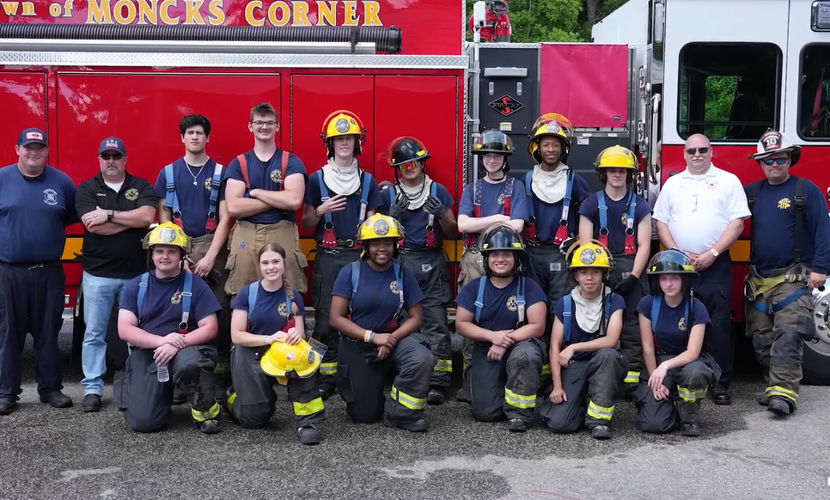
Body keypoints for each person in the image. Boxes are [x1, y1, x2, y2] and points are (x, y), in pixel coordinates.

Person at [652, 133, 751, 405]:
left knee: (718, 324)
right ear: (684, 154)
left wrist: (712, 253)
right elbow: (660, 222)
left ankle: (720, 384)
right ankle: (683, 377)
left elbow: (737, 223)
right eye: (691, 150)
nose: (697, 155)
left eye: (702, 150)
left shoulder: (728, 181)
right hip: (679, 268)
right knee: (679, 323)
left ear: (711, 152)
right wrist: (676, 253)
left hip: (716, 264)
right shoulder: (673, 184)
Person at [743, 130, 830, 416]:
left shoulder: (806, 190)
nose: (775, 164)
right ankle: (774, 387)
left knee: (789, 333)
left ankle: (784, 393)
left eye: (780, 158)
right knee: (761, 337)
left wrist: (820, 269)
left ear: (790, 158)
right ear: (760, 163)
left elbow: (823, 232)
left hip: (793, 278)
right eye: (768, 160)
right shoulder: (752, 193)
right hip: (758, 279)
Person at [302, 110, 383, 399]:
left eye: (349, 138)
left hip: (359, 259)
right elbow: (306, 222)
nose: (344, 143)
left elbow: (374, 224)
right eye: (339, 139)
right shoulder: (315, 180)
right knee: (324, 322)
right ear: (330, 144)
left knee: (359, 318)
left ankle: (358, 372)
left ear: (357, 142)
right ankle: (324, 377)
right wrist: (321, 211)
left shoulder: (369, 181)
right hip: (328, 257)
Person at [329, 214, 434, 432]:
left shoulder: (403, 274)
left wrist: (391, 339)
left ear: (396, 244)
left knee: (422, 358)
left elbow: (417, 318)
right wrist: (373, 338)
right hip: (358, 343)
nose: (382, 248)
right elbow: (336, 318)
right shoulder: (350, 272)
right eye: (376, 243)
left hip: (392, 340)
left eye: (387, 242)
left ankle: (402, 415)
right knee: (365, 415)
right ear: (366, 245)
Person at [156, 114, 234, 402]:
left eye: (200, 132)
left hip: (213, 246)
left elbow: (226, 218)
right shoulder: (168, 173)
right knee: (179, 312)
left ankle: (218, 378)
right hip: (179, 249)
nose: (195, 137)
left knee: (218, 312)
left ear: (207, 137)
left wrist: (211, 257)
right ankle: (183, 378)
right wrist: (180, 258)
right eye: (190, 132)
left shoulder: (221, 172)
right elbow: (164, 219)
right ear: (182, 138)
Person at [0, 128, 78, 416]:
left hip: (49, 271)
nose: (34, 152)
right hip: (10, 272)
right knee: (8, 334)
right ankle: (6, 393)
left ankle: (50, 389)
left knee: (49, 332)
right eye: (28, 147)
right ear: (17, 149)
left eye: (40, 148)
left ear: (46, 151)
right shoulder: (2, 179)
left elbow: (69, 215)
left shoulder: (62, 181)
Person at [117, 222, 223, 434]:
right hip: (150, 354)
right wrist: (163, 342)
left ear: (182, 255)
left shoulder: (196, 285)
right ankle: (159, 401)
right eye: (159, 251)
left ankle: (207, 412)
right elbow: (125, 329)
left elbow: (210, 328)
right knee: (143, 423)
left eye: (171, 251)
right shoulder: (136, 286)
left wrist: (177, 344)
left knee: (191, 363)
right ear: (151, 254)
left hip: (186, 351)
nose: (165, 256)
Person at [76, 137, 156, 412]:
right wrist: (129, 220)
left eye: (116, 156)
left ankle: (137, 383)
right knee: (95, 332)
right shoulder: (86, 188)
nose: (111, 161)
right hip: (98, 275)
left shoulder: (141, 185)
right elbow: (93, 227)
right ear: (99, 159)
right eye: (106, 156)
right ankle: (92, 388)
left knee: (137, 333)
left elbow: (146, 217)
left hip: (136, 275)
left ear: (125, 160)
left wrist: (108, 214)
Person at [380, 136, 457, 405]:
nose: (409, 167)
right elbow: (374, 234)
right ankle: (407, 373)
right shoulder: (387, 195)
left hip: (431, 262)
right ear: (397, 168)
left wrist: (442, 216)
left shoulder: (439, 192)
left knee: (435, 321)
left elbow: (451, 230)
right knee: (399, 321)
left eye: (414, 162)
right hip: (398, 264)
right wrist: (391, 216)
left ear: (422, 163)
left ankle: (438, 382)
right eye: (403, 164)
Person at [226, 242, 325, 444]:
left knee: (305, 358)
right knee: (254, 419)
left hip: (282, 353)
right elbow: (236, 336)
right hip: (251, 351)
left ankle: (308, 422)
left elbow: (300, 331)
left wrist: (297, 335)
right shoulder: (247, 294)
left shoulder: (293, 295)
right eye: (265, 263)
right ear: (259, 267)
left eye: (275, 261)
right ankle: (233, 397)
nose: (270, 267)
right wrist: (267, 339)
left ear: (284, 263)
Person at [455, 130, 529, 402]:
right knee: (471, 321)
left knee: (508, 316)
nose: (492, 159)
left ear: (505, 158)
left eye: (497, 155)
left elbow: (518, 225)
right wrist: (499, 217)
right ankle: (470, 382)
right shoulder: (471, 189)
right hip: (475, 259)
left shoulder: (516, 187)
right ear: (481, 158)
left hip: (505, 258)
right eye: (487, 155)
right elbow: (463, 225)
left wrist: (482, 221)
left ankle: (504, 377)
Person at [454, 224, 547, 432]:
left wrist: (505, 341)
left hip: (521, 347)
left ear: (517, 258)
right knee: (485, 413)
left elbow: (538, 326)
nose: (500, 259)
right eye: (494, 254)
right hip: (487, 350)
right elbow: (461, 324)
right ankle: (500, 388)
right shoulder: (475, 288)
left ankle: (518, 414)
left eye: (507, 254)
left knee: (524, 355)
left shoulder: (529, 287)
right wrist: (492, 337)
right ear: (486, 259)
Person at [578, 145, 652, 395]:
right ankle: (596, 373)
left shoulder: (640, 205)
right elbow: (586, 246)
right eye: (612, 170)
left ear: (629, 174)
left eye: (622, 170)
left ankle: (631, 379)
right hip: (599, 268)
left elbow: (644, 245)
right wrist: (595, 275)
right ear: (604, 173)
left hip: (632, 267)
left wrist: (633, 277)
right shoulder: (590, 204)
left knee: (632, 325)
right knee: (595, 322)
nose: (617, 175)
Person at [540, 240, 628, 439]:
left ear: (605, 274)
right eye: (583, 272)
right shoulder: (564, 304)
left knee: (608, 355)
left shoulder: (615, 301)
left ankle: (599, 421)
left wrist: (574, 347)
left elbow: (612, 340)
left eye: (596, 272)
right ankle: (582, 400)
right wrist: (557, 386)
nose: (589, 278)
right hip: (575, 366)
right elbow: (554, 347)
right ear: (575, 275)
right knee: (560, 423)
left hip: (603, 363)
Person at [224, 102, 309, 298]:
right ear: (250, 126)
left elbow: (295, 200)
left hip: (282, 230)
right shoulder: (238, 163)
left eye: (270, 122)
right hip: (246, 232)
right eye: (259, 122)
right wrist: (279, 199)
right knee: (242, 293)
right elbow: (234, 206)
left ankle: (290, 329)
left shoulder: (292, 162)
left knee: (288, 291)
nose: (264, 127)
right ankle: (241, 330)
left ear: (277, 127)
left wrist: (255, 193)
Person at [634, 249, 721, 437]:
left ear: (684, 280)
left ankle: (688, 418)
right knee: (654, 425)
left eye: (674, 278)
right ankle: (669, 404)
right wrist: (655, 380)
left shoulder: (697, 307)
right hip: (657, 363)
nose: (668, 284)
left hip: (686, 362)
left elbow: (692, 353)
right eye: (663, 278)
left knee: (696, 371)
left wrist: (665, 366)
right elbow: (648, 347)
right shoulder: (647, 304)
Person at [523, 113, 591, 308]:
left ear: (563, 149)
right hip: (531, 253)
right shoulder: (527, 180)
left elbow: (588, 216)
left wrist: (578, 240)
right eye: (546, 145)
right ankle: (535, 340)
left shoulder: (574, 181)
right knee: (533, 305)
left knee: (560, 305)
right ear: (538, 148)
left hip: (561, 254)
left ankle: (559, 340)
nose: (550, 149)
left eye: (555, 145)